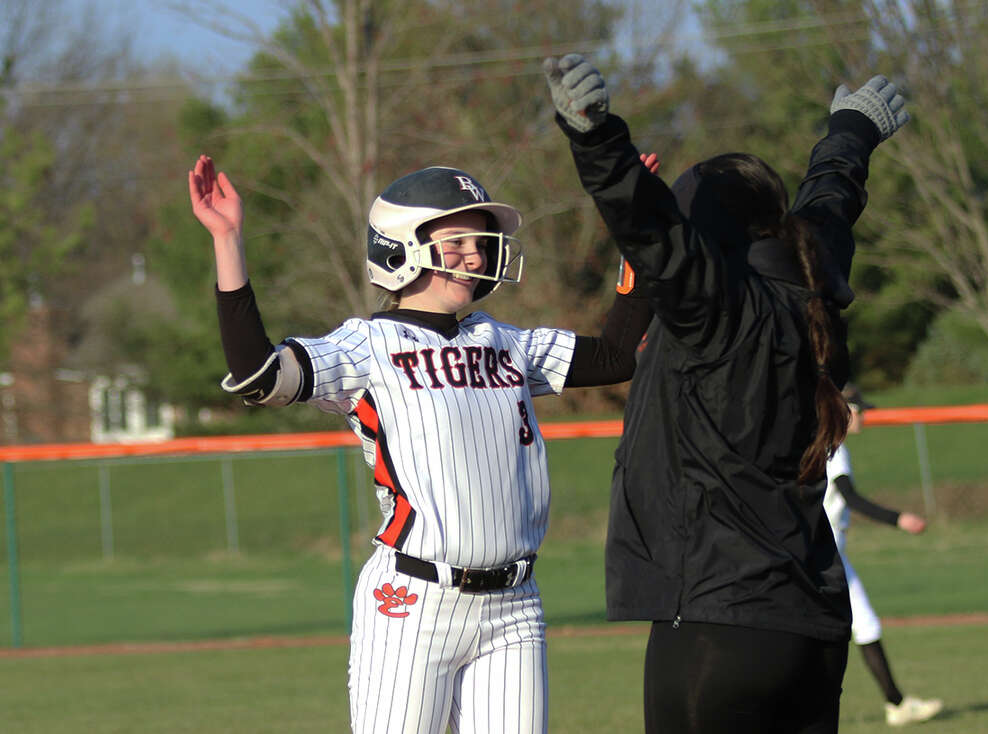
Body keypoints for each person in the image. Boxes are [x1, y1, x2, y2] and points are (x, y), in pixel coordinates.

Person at [188, 156, 657, 733]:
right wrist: (229, 241)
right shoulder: (366, 345)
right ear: (402, 246)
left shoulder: (503, 341)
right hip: (412, 603)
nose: (477, 255)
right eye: (457, 238)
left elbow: (613, 357)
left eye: (480, 241)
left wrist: (640, 235)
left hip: (514, 605)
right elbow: (260, 376)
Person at [543, 54, 910, 733]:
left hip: (718, 626)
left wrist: (597, 140)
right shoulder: (812, 290)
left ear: (706, 238)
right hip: (813, 630)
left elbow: (650, 231)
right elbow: (828, 204)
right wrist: (852, 131)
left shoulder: (716, 309)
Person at [826, 383, 943, 727]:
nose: (865, 416)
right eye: (859, 410)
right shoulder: (835, 447)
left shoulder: (826, 443)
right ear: (842, 410)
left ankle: (897, 703)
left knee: (865, 624)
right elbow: (850, 497)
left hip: (829, 556)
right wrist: (898, 519)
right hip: (821, 560)